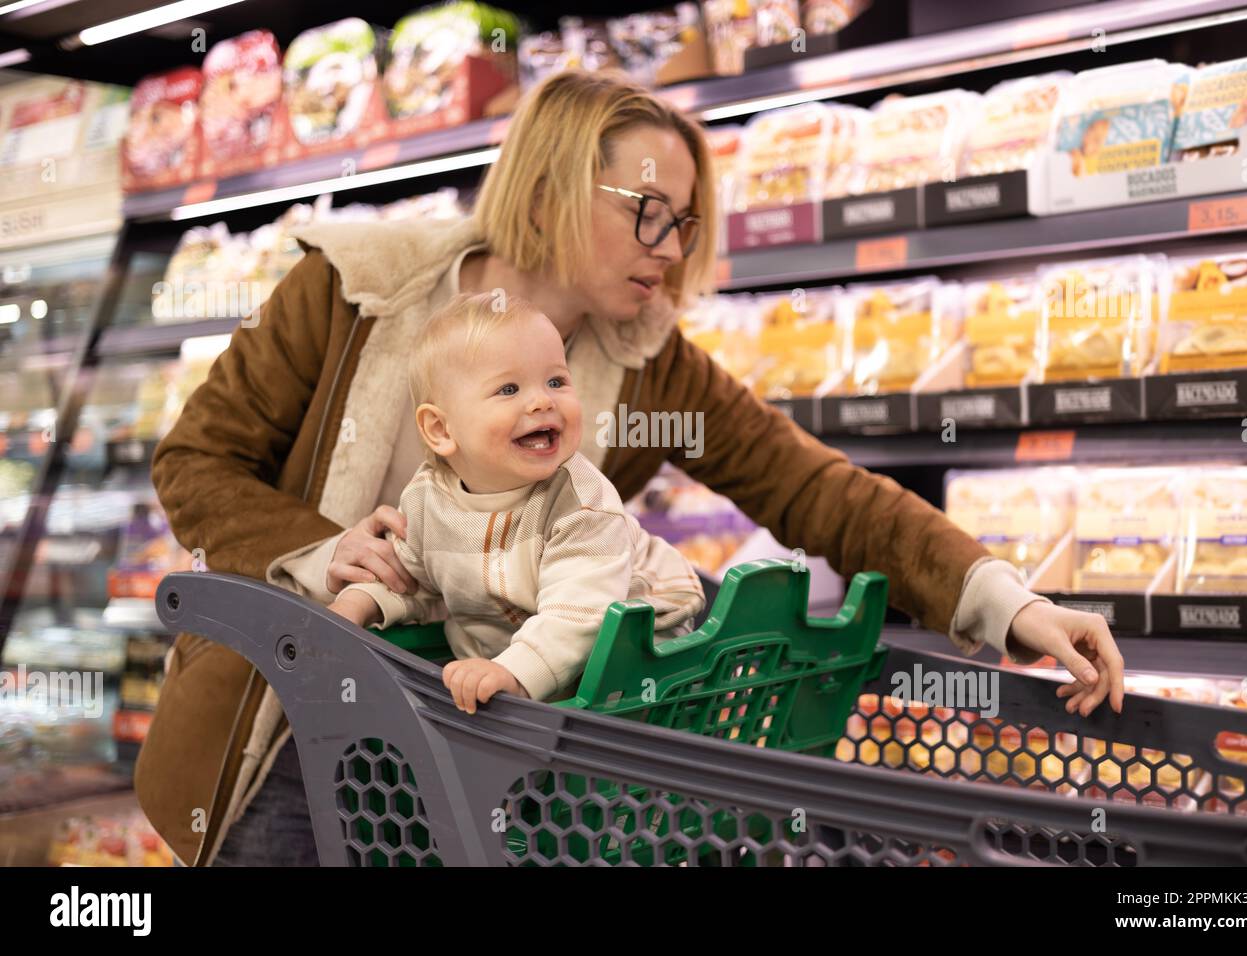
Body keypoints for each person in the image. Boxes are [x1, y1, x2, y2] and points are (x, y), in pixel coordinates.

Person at [141, 69, 1126, 868]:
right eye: (647, 211)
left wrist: (1005, 601)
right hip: (286, 725)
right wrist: (322, 550)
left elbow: (811, 486)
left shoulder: (648, 362)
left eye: (686, 221)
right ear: (547, 188)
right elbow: (195, 457)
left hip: (490, 744)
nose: (671, 247)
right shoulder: (355, 292)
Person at [327, 291, 704, 711]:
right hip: (521, 656)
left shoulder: (580, 503)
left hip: (644, 643)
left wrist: (514, 673)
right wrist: (354, 606)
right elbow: (410, 578)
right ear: (440, 429)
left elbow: (580, 616)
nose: (543, 400)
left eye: (556, 381)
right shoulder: (427, 499)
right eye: (508, 389)